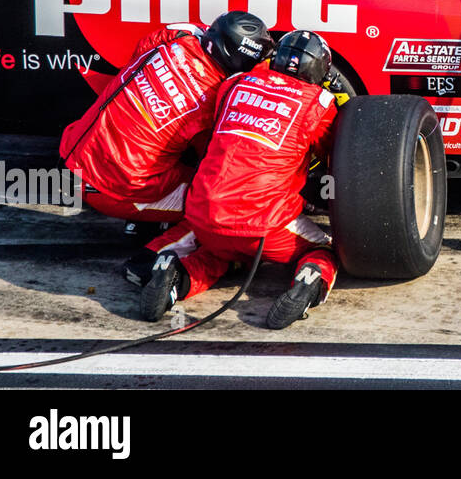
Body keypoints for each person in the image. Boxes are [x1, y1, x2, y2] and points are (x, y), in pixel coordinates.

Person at [140, 30, 342, 330]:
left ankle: (175, 280)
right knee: (325, 249)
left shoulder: (234, 83)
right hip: (263, 225)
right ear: (317, 69)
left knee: (218, 256)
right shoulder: (320, 102)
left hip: (203, 211)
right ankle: (309, 280)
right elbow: (336, 156)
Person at [59, 12, 274, 284]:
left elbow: (142, 48)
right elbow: (215, 159)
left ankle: (145, 221)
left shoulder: (175, 37)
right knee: (219, 205)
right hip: (112, 190)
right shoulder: (213, 101)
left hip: (74, 152)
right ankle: (147, 261)